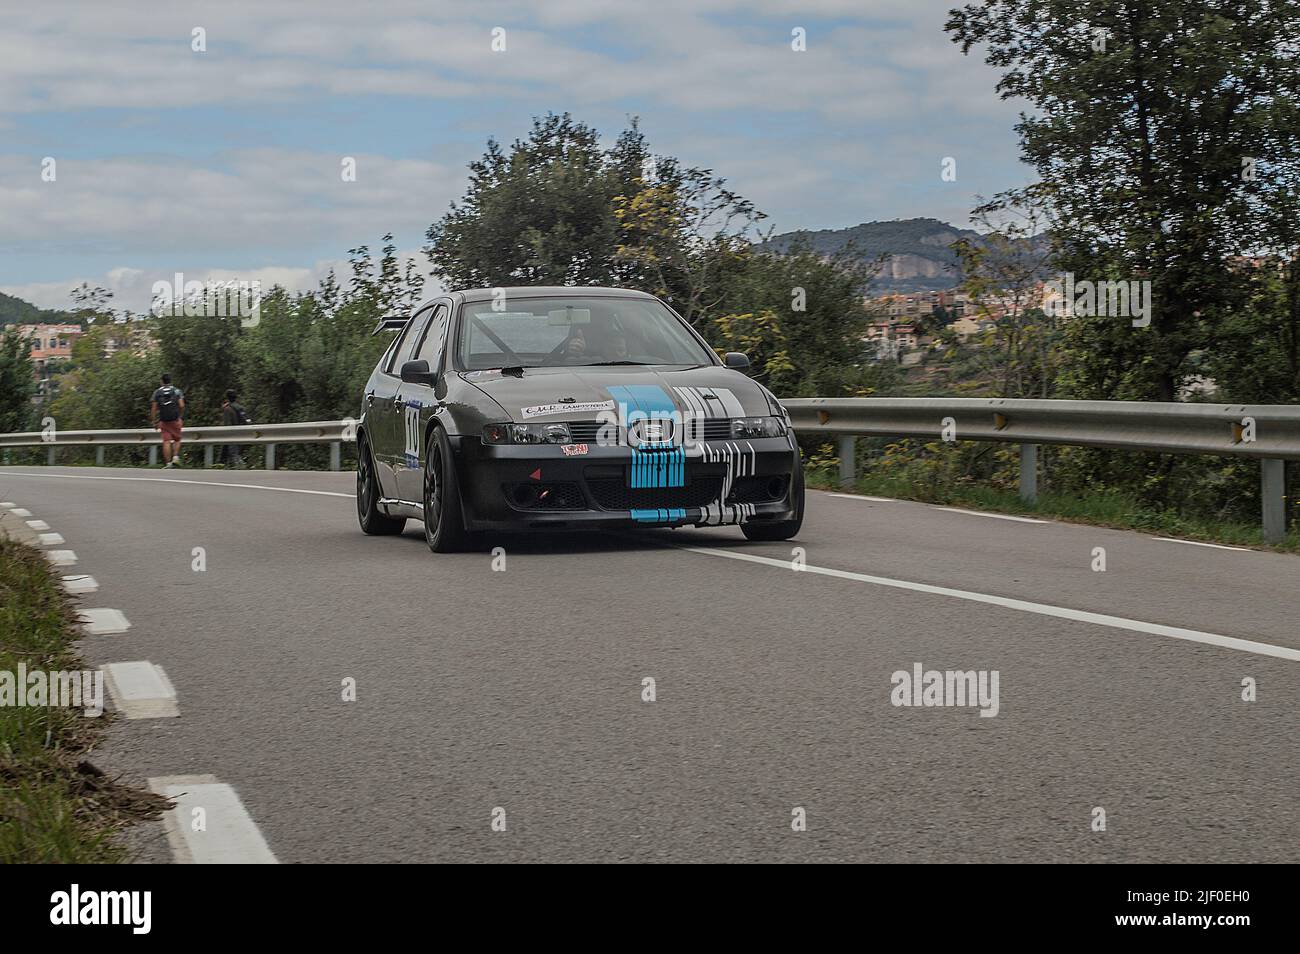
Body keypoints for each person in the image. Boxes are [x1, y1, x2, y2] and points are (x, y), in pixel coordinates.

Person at [150, 374, 185, 467]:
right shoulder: (177, 391)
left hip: (164, 420)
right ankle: (175, 457)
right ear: (170, 380)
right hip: (175, 419)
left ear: (161, 381)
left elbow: (154, 409)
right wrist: (180, 416)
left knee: (166, 441)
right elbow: (181, 405)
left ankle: (168, 463)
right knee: (177, 439)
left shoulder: (157, 392)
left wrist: (154, 421)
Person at [220, 389, 250, 468]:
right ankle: (240, 466)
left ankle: (240, 467)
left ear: (227, 397)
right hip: (243, 434)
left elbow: (227, 425)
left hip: (232, 435)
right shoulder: (240, 407)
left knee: (233, 454)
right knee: (238, 453)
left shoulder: (228, 409)